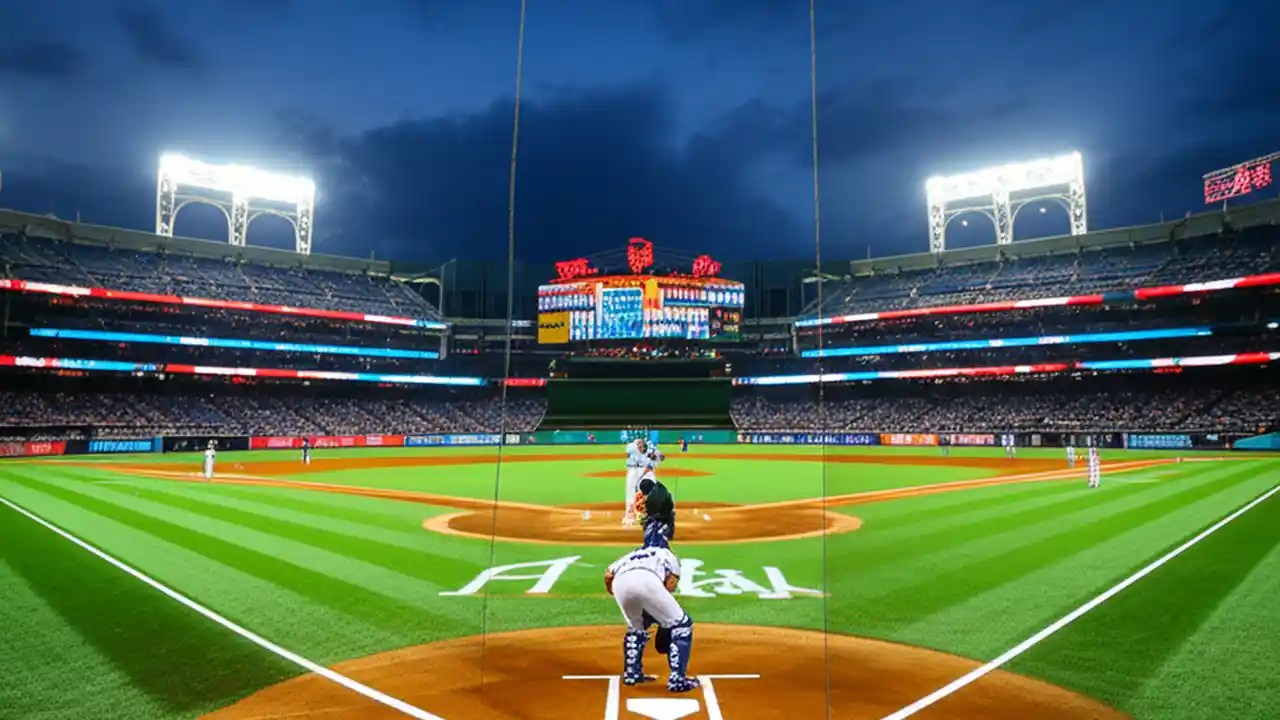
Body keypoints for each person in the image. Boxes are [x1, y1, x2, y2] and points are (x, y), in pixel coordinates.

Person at [603, 533, 699, 692]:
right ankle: (678, 680)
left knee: (636, 627)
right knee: (681, 625)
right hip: (648, 581)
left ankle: (632, 673)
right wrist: (664, 617)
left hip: (619, 583)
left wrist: (617, 593)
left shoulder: (631, 555)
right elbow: (670, 584)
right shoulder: (667, 555)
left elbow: (608, 575)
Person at [623, 437, 651, 526]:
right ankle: (637, 514)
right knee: (639, 492)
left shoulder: (630, 447)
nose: (639, 446)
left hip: (636, 470)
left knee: (634, 493)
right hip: (638, 470)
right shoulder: (633, 447)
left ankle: (632, 515)